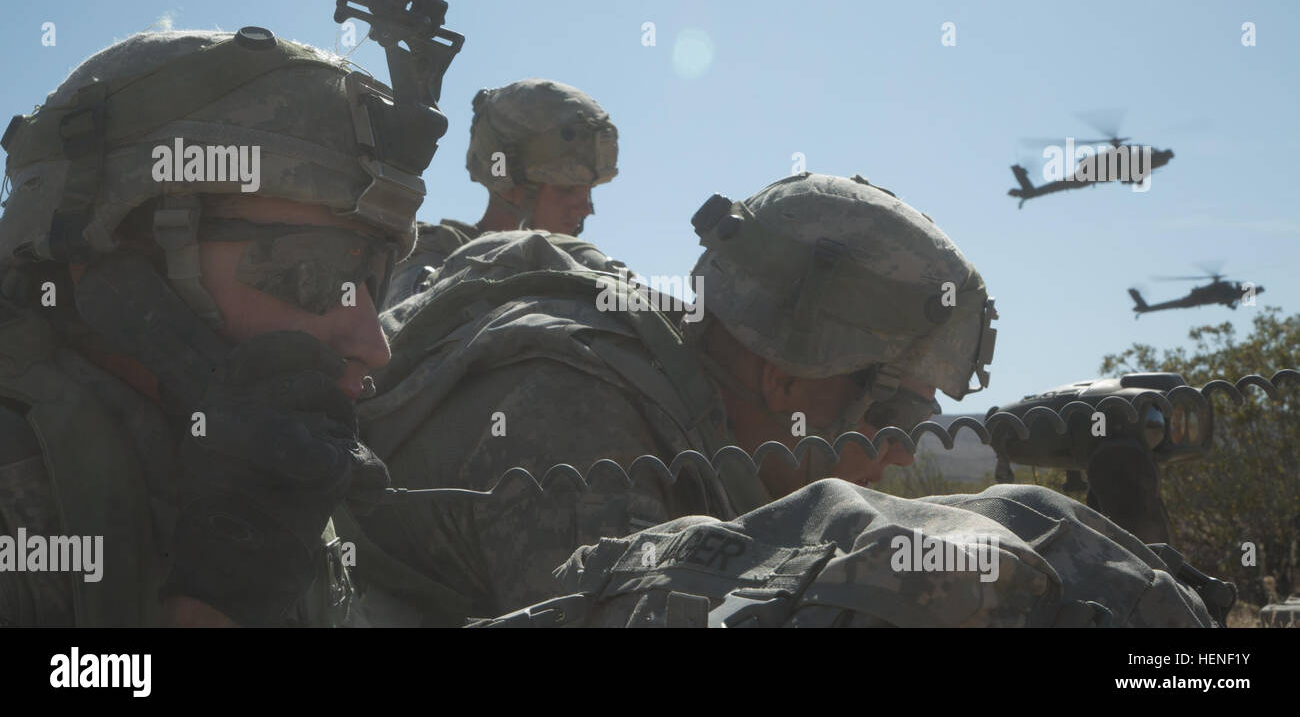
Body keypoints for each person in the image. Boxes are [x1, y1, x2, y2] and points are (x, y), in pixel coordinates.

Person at [349, 172, 999, 622]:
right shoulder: (586, 432)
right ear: (789, 380)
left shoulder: (690, 405)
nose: (895, 456)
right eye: (896, 415)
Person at [0, 22, 454, 626]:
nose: (375, 346)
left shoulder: (259, 460)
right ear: (127, 268)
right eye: (310, 273)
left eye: (376, 278)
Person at [382, 79, 619, 308]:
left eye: (589, 191)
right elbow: (409, 322)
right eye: (566, 189)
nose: (586, 208)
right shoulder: (436, 259)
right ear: (509, 187)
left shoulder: (589, 269)